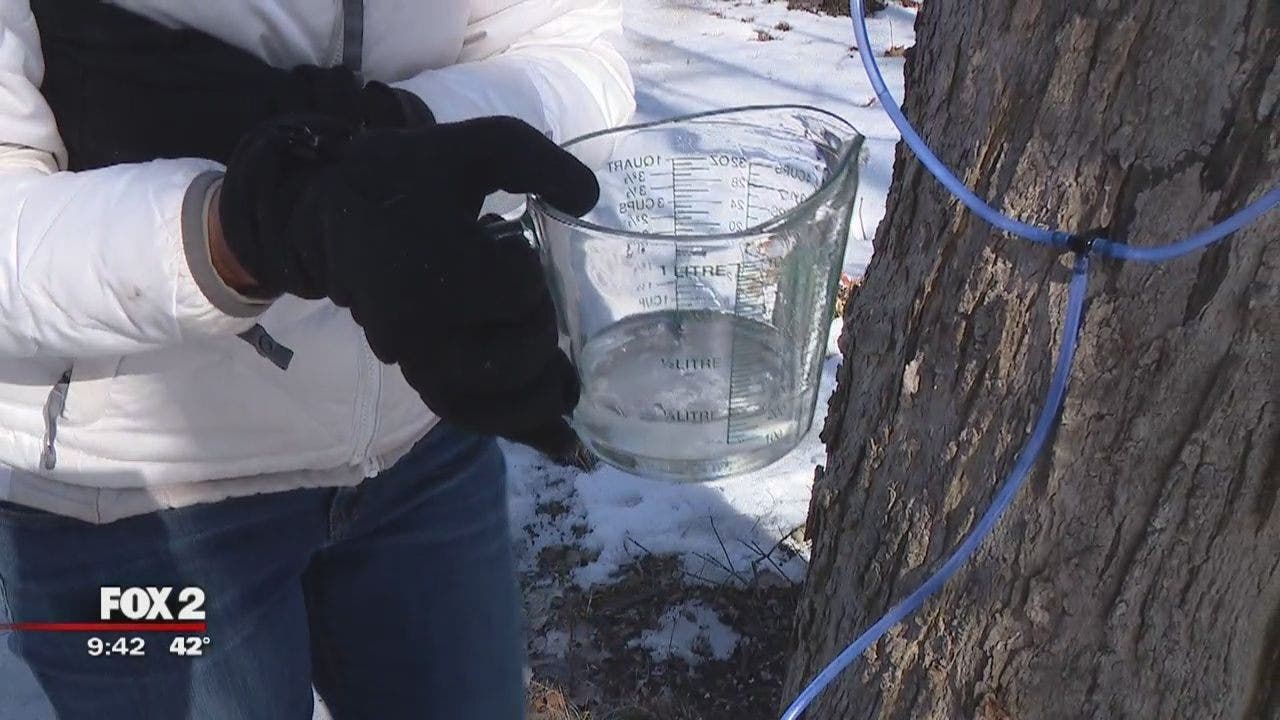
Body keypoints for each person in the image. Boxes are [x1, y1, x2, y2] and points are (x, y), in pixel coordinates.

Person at [0, 0, 634, 718]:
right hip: (134, 496)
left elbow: (569, 47)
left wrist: (388, 135)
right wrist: (249, 225)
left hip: (418, 440)